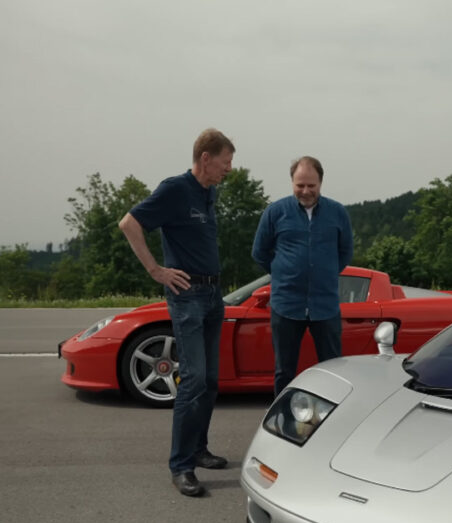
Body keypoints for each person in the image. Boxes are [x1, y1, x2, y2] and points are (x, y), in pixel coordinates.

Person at [119, 128, 235, 497]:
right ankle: (181, 465)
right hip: (187, 297)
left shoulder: (208, 193)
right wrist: (156, 270)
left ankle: (198, 449)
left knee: (212, 380)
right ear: (206, 158)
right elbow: (129, 224)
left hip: (214, 294)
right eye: (225, 163)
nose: (228, 170)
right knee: (195, 378)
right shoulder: (175, 189)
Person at [252, 156, 354, 395]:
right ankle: (282, 422)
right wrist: (284, 273)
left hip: (325, 305)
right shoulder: (275, 212)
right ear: (292, 183)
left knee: (333, 368)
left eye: (311, 185)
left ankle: (332, 419)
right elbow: (259, 252)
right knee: (284, 371)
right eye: (300, 185)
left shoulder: (338, 213)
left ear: (321, 183)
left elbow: (345, 252)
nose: (305, 191)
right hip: (286, 305)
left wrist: (325, 273)